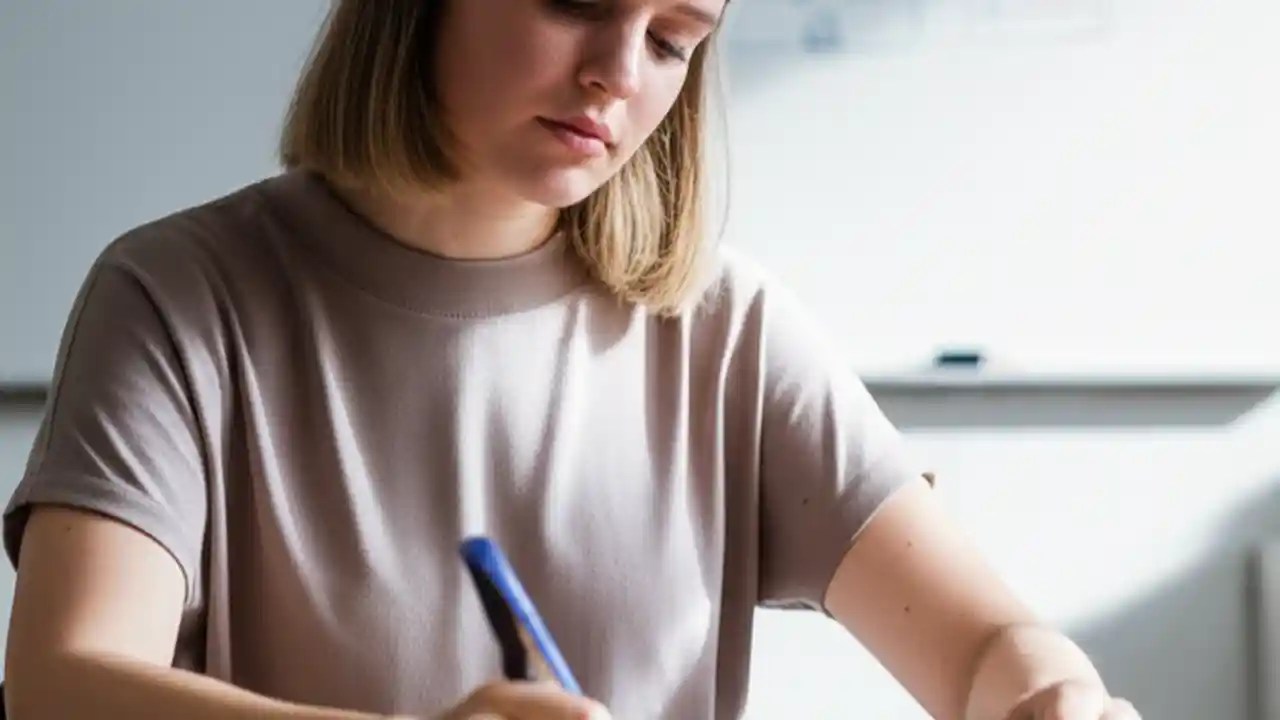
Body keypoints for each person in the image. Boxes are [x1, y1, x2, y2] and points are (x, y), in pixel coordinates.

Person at [1, 1, 1141, 719]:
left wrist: (1050, 692)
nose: (617, 75)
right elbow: (61, 685)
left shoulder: (725, 329)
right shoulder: (176, 298)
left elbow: (986, 646)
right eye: (576, 4)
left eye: (670, 40)